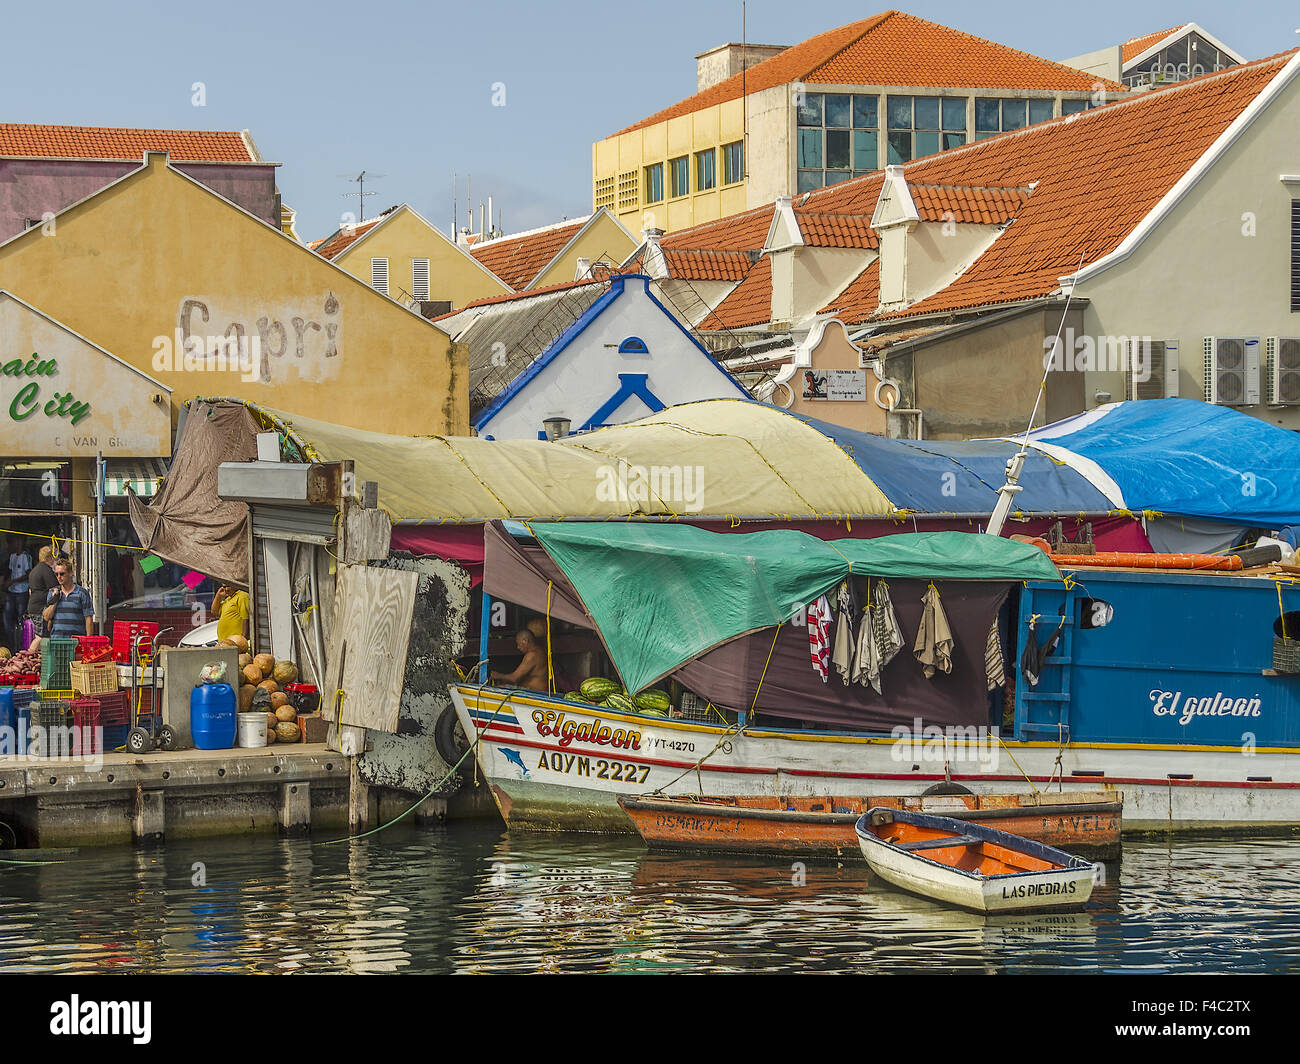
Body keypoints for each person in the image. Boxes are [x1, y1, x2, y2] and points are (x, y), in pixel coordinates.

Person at [43, 560, 94, 638]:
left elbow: (88, 619)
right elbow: (46, 617)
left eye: (62, 574)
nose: (59, 577)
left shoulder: (82, 593)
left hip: (76, 641)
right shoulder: (53, 592)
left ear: (71, 573)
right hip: (57, 640)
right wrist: (55, 600)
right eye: (56, 574)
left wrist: (88, 641)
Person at [25, 546, 58, 640]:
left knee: (39, 636)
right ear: (50, 557)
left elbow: (31, 591)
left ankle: (34, 654)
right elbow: (55, 588)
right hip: (40, 608)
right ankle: (30, 653)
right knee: (41, 637)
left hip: (33, 607)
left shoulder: (35, 570)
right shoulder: (46, 570)